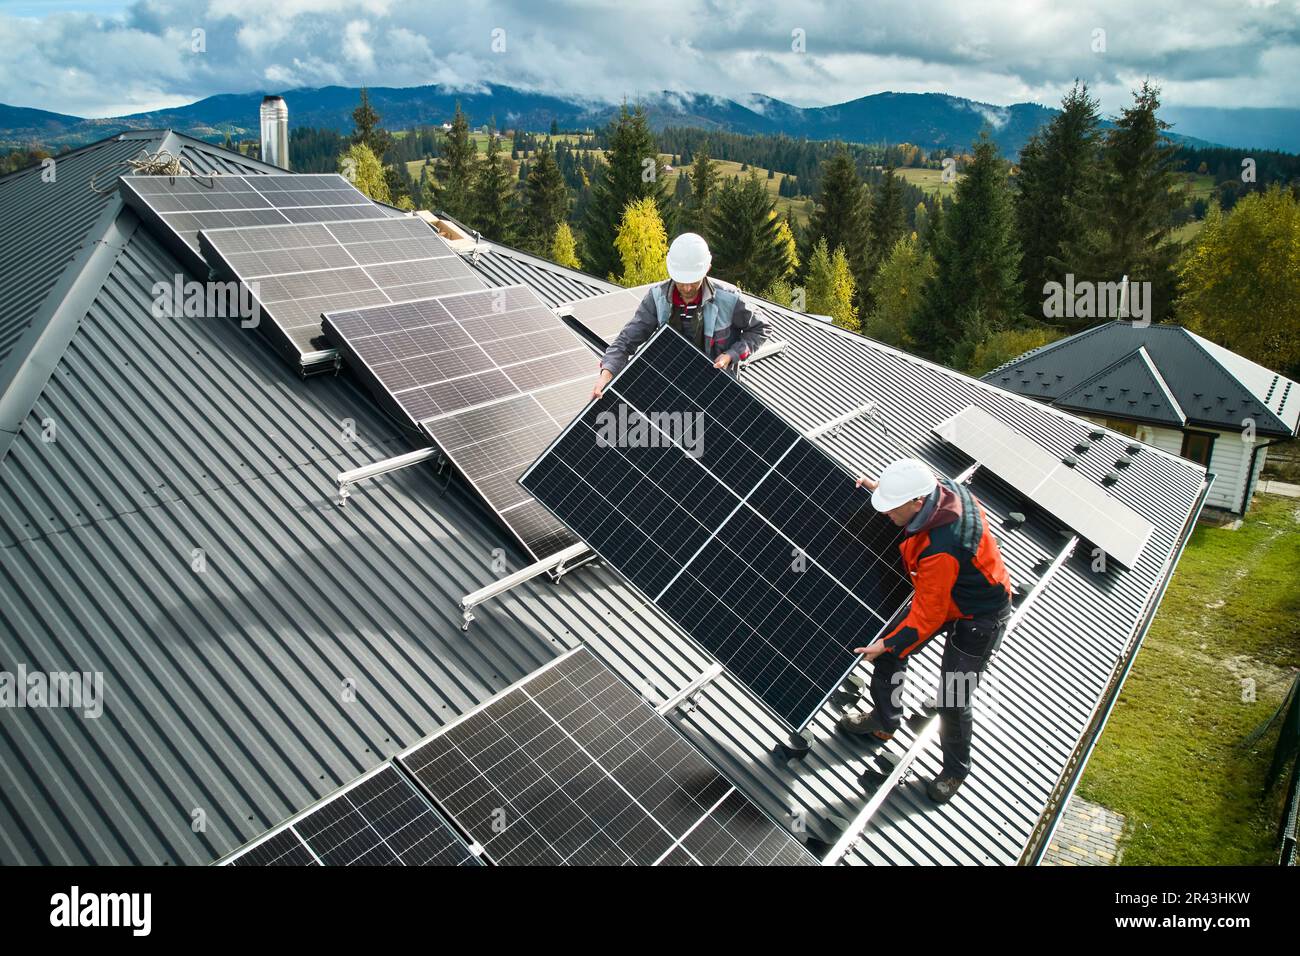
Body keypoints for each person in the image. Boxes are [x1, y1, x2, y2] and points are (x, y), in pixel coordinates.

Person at [839, 457, 1013, 804]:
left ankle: (956, 770)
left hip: (979, 616)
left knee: (953, 696)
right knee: (890, 654)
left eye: (891, 507)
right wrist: (884, 491)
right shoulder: (937, 491)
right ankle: (885, 721)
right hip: (947, 595)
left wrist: (888, 643)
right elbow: (930, 606)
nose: (885, 514)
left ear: (918, 503)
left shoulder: (941, 549)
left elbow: (927, 617)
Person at [591, 232, 769, 398]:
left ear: (707, 268)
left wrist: (731, 355)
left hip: (718, 393)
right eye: (681, 281)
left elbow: (761, 328)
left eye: (693, 281)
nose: (687, 288)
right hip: (672, 391)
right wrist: (606, 375)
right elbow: (625, 341)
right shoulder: (657, 298)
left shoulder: (729, 299)